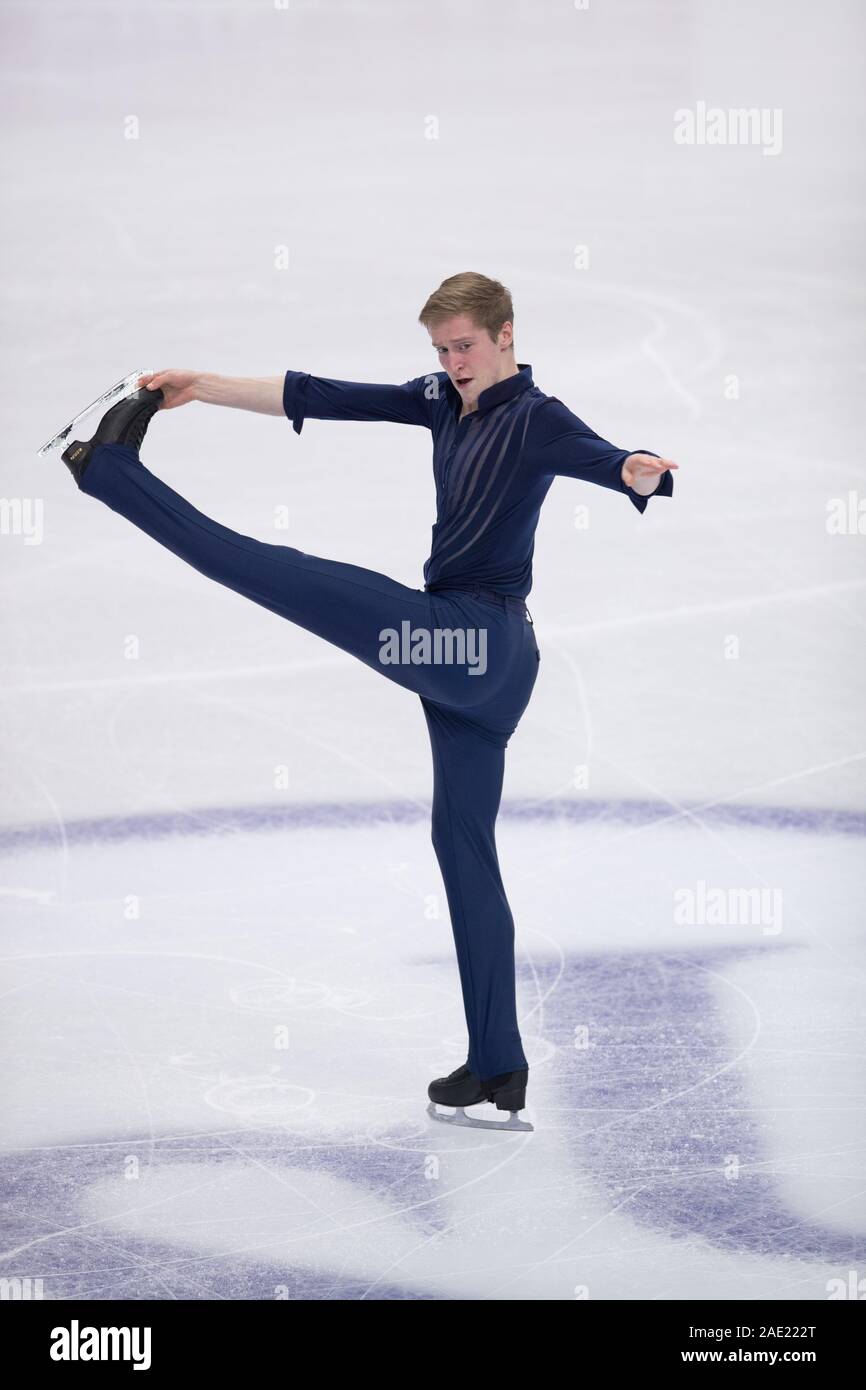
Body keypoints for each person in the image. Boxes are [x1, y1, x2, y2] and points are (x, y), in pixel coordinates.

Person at [58, 271, 677, 1131]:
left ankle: (111, 475)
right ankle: (498, 1061)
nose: (453, 363)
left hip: (466, 644)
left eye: (465, 346)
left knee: (264, 569)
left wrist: (638, 472)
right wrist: (200, 385)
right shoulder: (437, 401)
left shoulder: (537, 418)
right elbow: (320, 395)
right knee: (461, 845)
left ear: (506, 336)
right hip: (487, 666)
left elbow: (612, 462)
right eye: (441, 349)